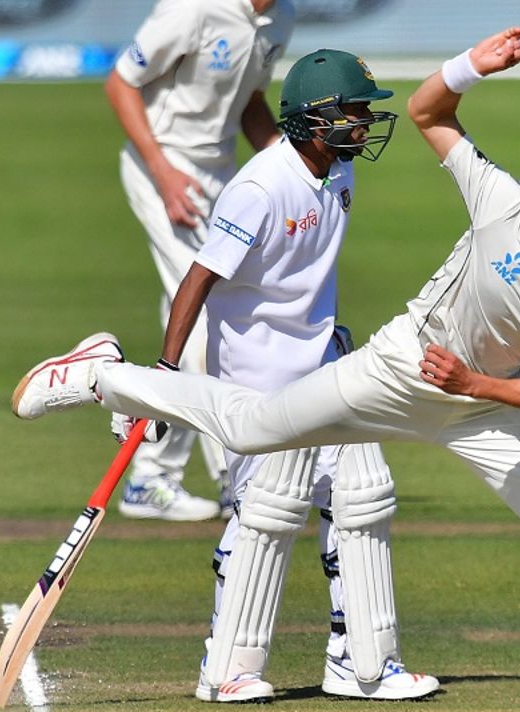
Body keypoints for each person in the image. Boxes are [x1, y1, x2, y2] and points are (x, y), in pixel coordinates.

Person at [12, 27, 520, 712]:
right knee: (251, 430)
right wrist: (472, 64)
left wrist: (473, 382)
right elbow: (428, 111)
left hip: (485, 403)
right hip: (400, 368)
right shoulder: (505, 204)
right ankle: (102, 376)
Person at [139, 46, 436, 702]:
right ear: (315, 118)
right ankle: (225, 667)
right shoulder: (259, 188)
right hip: (257, 381)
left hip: (322, 368)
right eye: (355, 112)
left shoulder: (339, 169)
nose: (366, 123)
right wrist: (164, 373)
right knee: (260, 517)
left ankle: (357, 661)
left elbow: (306, 274)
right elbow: (199, 277)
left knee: (357, 497)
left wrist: (327, 335)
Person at [104, 0, 294, 521]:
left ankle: (154, 477)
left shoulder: (282, 17)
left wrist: (291, 166)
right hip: (163, 168)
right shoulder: (193, 8)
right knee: (205, 319)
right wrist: (163, 172)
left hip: (223, 176)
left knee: (188, 318)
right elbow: (121, 84)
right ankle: (228, 477)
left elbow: (250, 102)